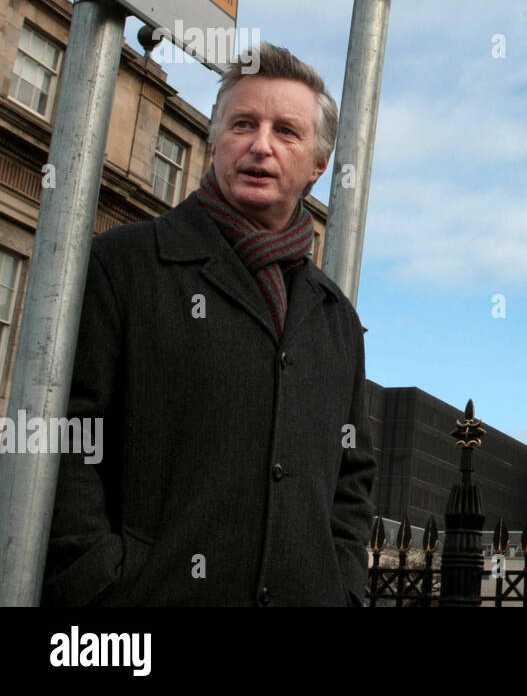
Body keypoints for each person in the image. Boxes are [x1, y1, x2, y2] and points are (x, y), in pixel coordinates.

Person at [42, 43, 376, 606]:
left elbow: (353, 474)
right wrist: (98, 577)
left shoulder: (336, 316)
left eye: (286, 131)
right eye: (244, 123)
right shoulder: (124, 261)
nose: (260, 145)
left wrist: (341, 586)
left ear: (318, 164)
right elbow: (67, 428)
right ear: (214, 140)